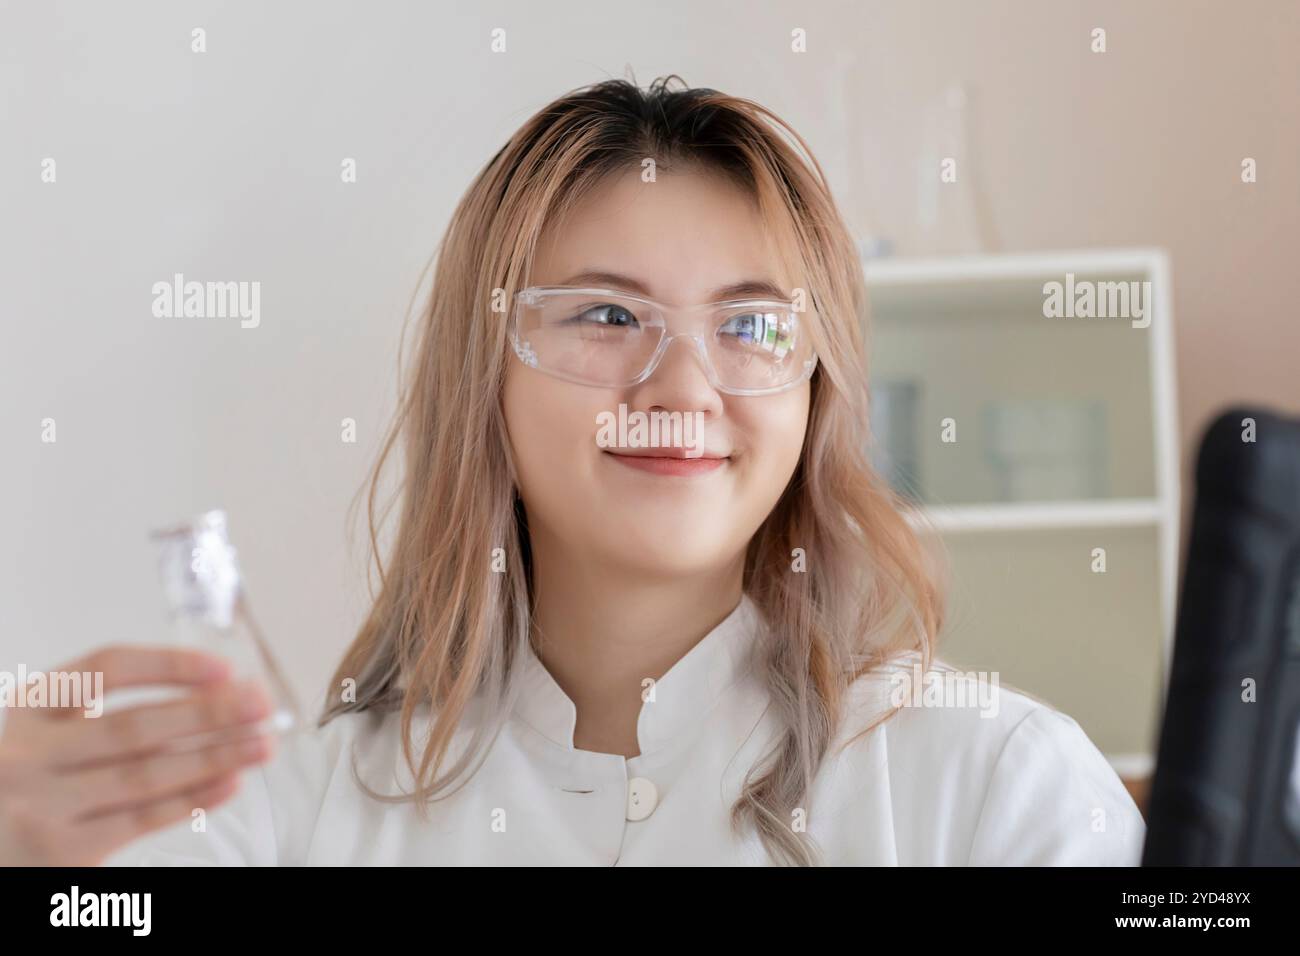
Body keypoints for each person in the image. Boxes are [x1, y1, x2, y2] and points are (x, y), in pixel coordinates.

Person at [0, 77, 1144, 866]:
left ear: (815, 392)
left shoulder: (992, 785)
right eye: (607, 313)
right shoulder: (306, 809)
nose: (682, 385)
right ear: (477, 376)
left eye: (750, 327)